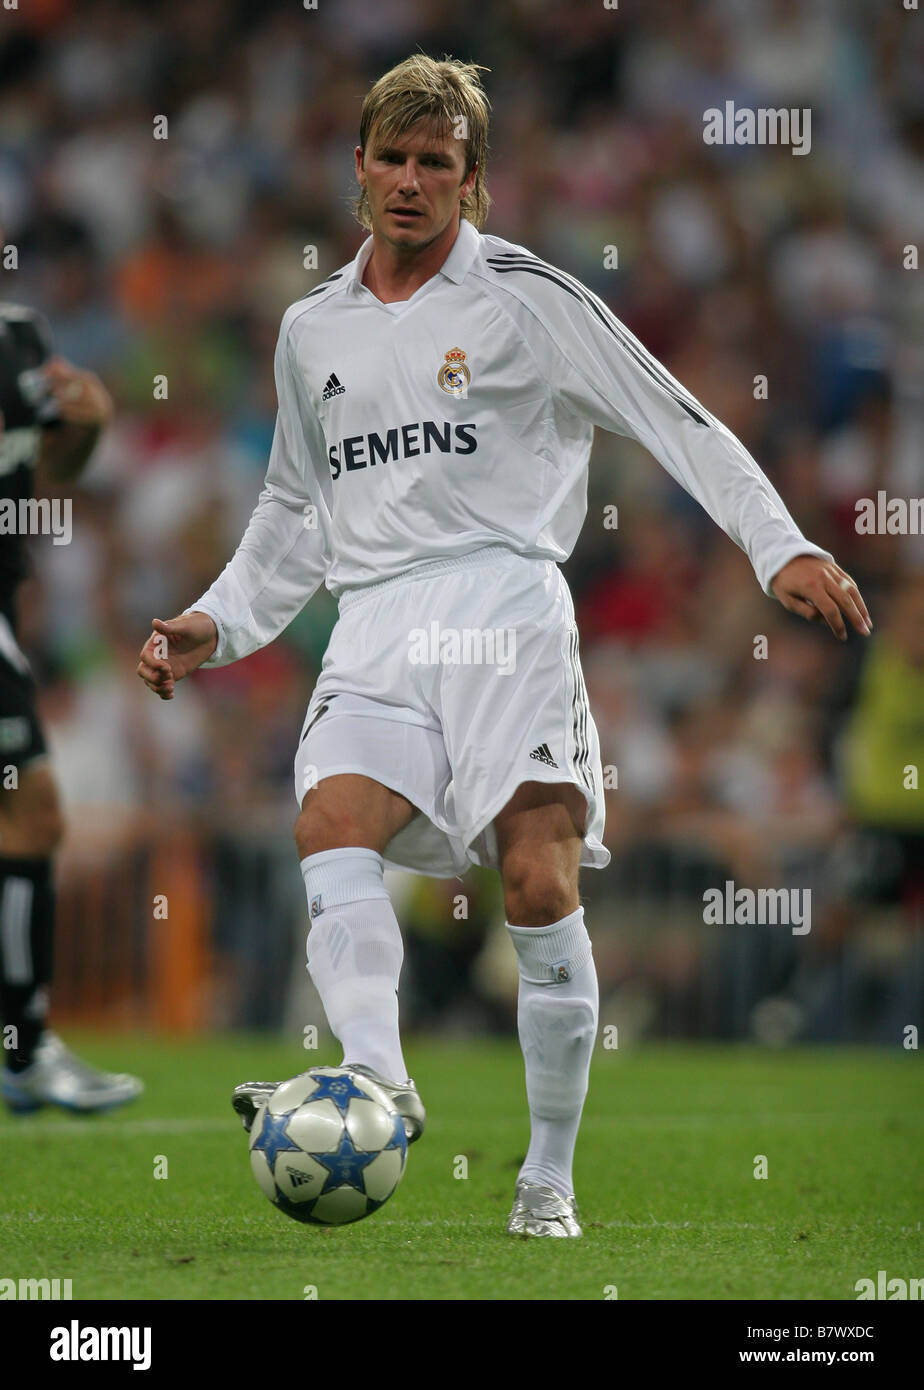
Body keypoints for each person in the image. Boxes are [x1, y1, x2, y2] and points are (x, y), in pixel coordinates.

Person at [136, 56, 871, 1236]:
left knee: (536, 881)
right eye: (393, 157)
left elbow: (670, 413)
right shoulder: (309, 328)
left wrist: (774, 542)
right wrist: (213, 622)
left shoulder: (529, 297)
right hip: (375, 616)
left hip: (505, 612)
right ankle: (377, 1080)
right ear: (359, 167)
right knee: (330, 823)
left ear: (474, 182)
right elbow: (289, 509)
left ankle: (548, 1178)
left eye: (438, 162)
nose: (412, 181)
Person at [0, 303, 143, 1113]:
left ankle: (25, 1050)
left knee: (31, 813)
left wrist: (90, 421)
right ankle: (24, 1051)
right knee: (32, 811)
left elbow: (54, 466)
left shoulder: (19, 334)